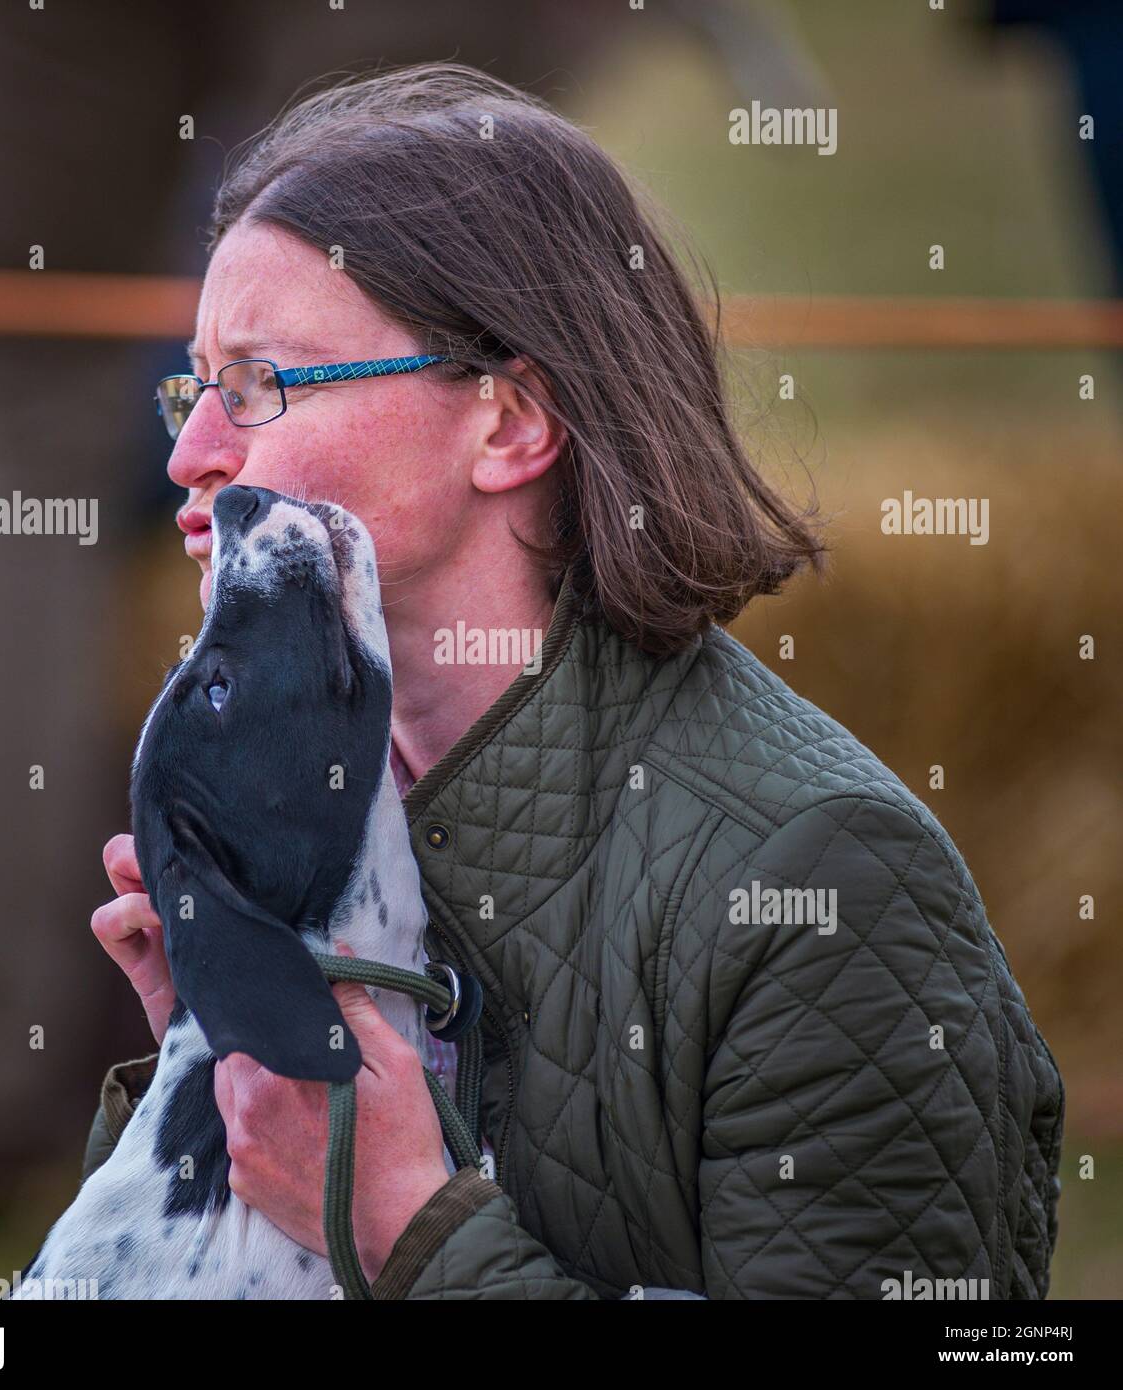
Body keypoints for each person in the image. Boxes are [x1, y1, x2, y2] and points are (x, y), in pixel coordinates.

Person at [82, 63, 1064, 1299]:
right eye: (193, 387)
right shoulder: (305, 820)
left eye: (259, 384)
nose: (189, 455)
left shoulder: (827, 886)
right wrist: (209, 1074)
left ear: (507, 424)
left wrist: (404, 1223)